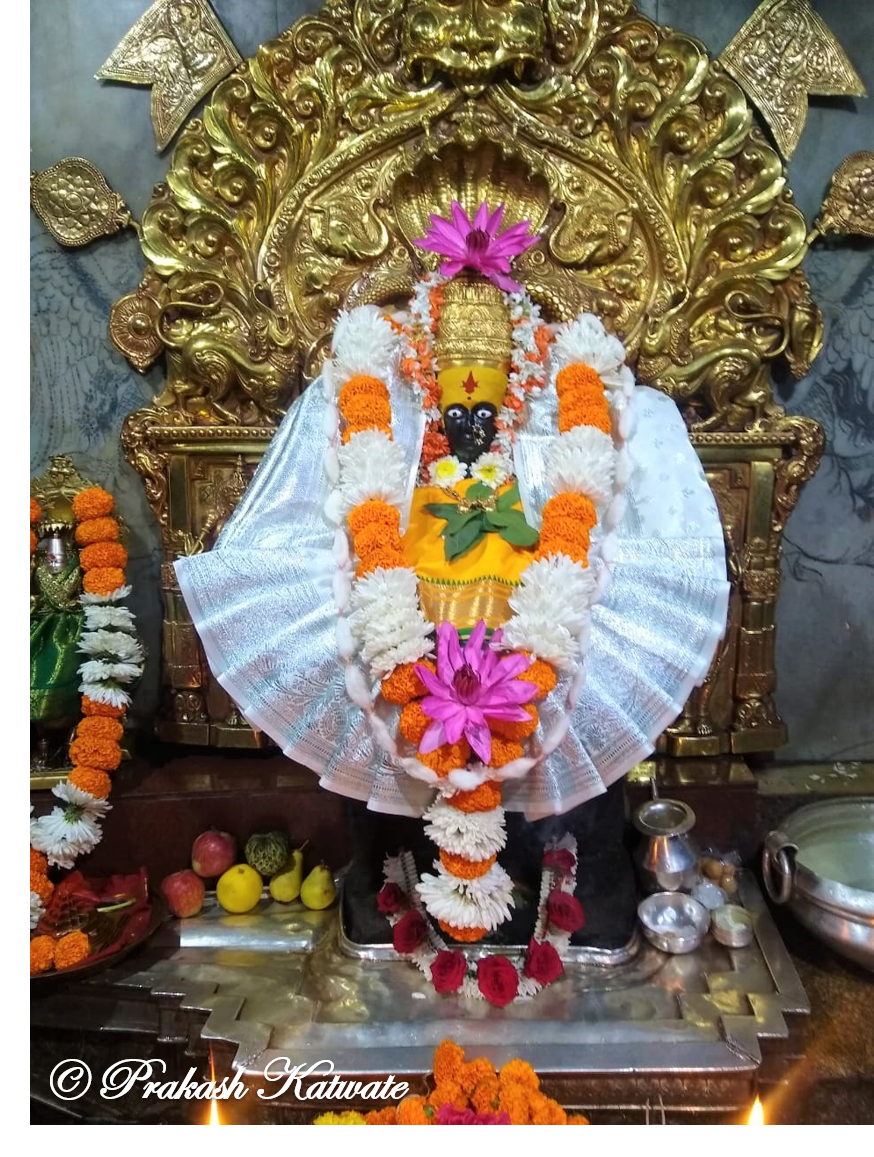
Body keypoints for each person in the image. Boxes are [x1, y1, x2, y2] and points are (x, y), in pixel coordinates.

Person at [176, 202, 728, 947]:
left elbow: (590, 515)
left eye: (487, 395)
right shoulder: (371, 401)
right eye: (456, 395)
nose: (473, 412)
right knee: (389, 797)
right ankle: (400, 893)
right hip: (401, 650)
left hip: (543, 650)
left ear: (519, 374)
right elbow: (336, 528)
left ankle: (548, 887)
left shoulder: (570, 403)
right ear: (426, 374)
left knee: (567, 802)